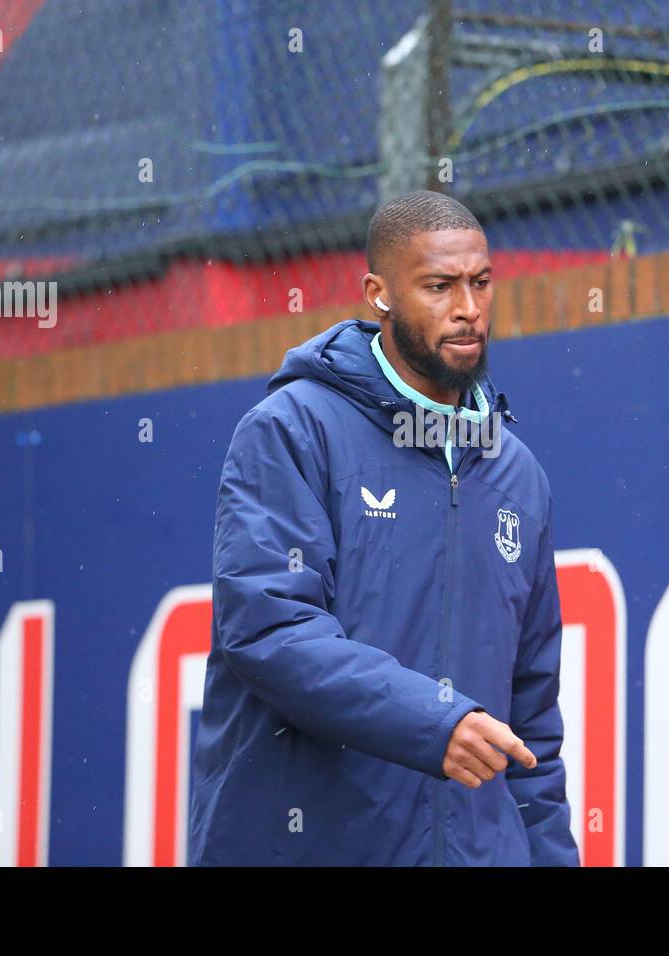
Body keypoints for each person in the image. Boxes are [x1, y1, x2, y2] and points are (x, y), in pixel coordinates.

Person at [188, 189, 580, 866]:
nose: (467, 309)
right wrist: (437, 724)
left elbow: (532, 722)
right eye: (438, 286)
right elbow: (271, 631)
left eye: (481, 283)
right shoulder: (293, 430)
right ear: (379, 294)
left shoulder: (520, 476)